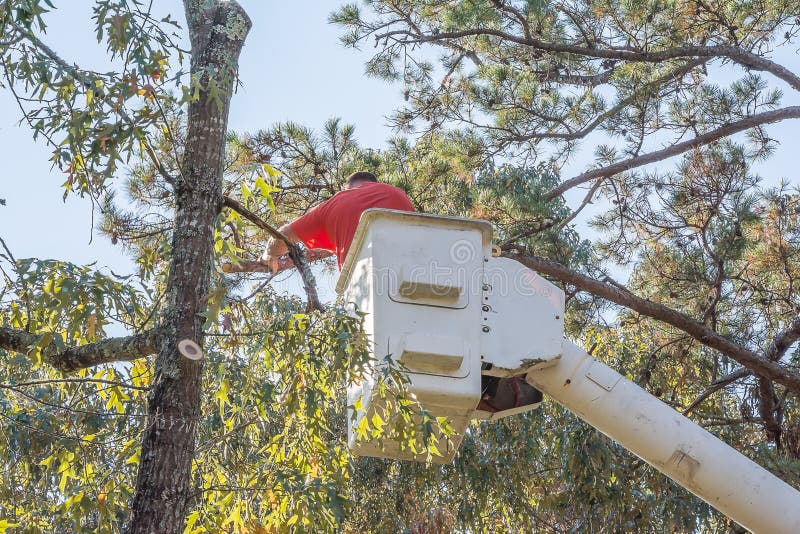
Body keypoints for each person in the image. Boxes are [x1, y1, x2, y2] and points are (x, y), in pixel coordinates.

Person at [261, 171, 415, 271]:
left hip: (361, 281)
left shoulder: (337, 202)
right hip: (412, 274)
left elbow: (281, 238)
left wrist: (269, 256)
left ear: (349, 188)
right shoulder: (398, 194)